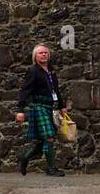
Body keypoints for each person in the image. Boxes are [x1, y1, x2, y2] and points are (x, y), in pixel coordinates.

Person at [15, 43, 66, 176]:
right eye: (40, 53)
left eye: (45, 53)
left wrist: (62, 106)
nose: (43, 55)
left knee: (43, 140)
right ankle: (50, 169)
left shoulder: (51, 72)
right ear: (35, 56)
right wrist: (20, 109)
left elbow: (56, 91)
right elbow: (25, 90)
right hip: (38, 107)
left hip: (50, 107)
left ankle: (24, 158)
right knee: (49, 137)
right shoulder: (33, 71)